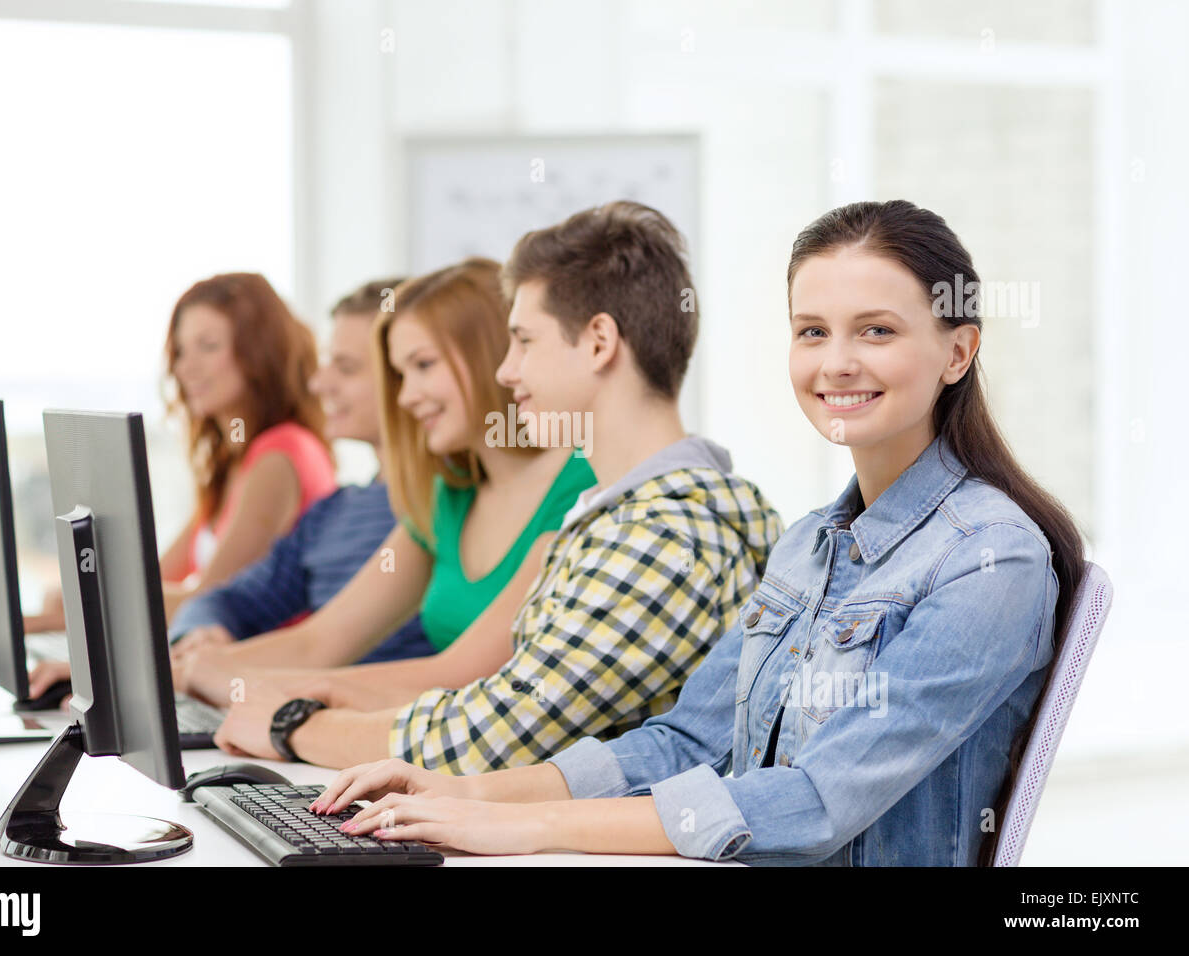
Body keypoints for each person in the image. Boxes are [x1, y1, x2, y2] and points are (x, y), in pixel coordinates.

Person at [312, 199, 1087, 868]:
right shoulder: (809, 544)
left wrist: (515, 823)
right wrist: (464, 793)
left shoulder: (992, 559)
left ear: (959, 350)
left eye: (876, 331)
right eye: (812, 332)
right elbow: (684, 741)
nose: (837, 362)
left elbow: (813, 802)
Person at [207, 201, 783, 773]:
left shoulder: (663, 534)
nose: (507, 373)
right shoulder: (613, 517)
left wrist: (295, 726)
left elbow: (492, 734)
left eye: (525, 342)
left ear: (600, 343)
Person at [174, 257, 598, 706]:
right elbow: (321, 643)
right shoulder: (450, 494)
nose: (407, 397)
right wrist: (193, 669)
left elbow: (459, 674)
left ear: (488, 352)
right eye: (399, 374)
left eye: (424, 365)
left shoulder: (579, 486)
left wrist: (252, 689)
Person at [22, 271, 337, 637]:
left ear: (259, 351)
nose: (186, 367)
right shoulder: (234, 463)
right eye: (182, 350)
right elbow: (152, 580)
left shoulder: (280, 455)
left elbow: (208, 602)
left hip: (252, 674)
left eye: (209, 346)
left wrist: (81, 605)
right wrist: (74, 601)